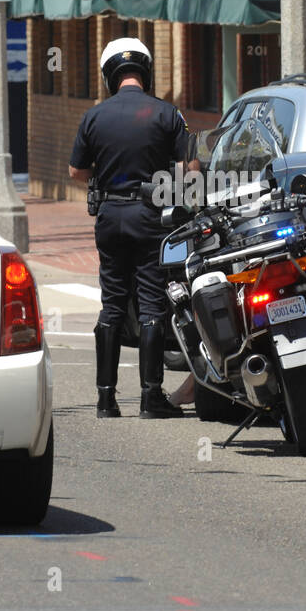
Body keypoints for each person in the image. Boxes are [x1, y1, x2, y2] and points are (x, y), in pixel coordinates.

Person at [68, 37, 198, 419]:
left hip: (109, 216)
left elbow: (77, 172)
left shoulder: (94, 116)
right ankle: (150, 397)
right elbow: (191, 169)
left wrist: (105, 175)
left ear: (110, 75)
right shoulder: (168, 113)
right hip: (150, 216)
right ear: (146, 71)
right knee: (151, 304)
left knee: (111, 304)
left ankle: (106, 400)